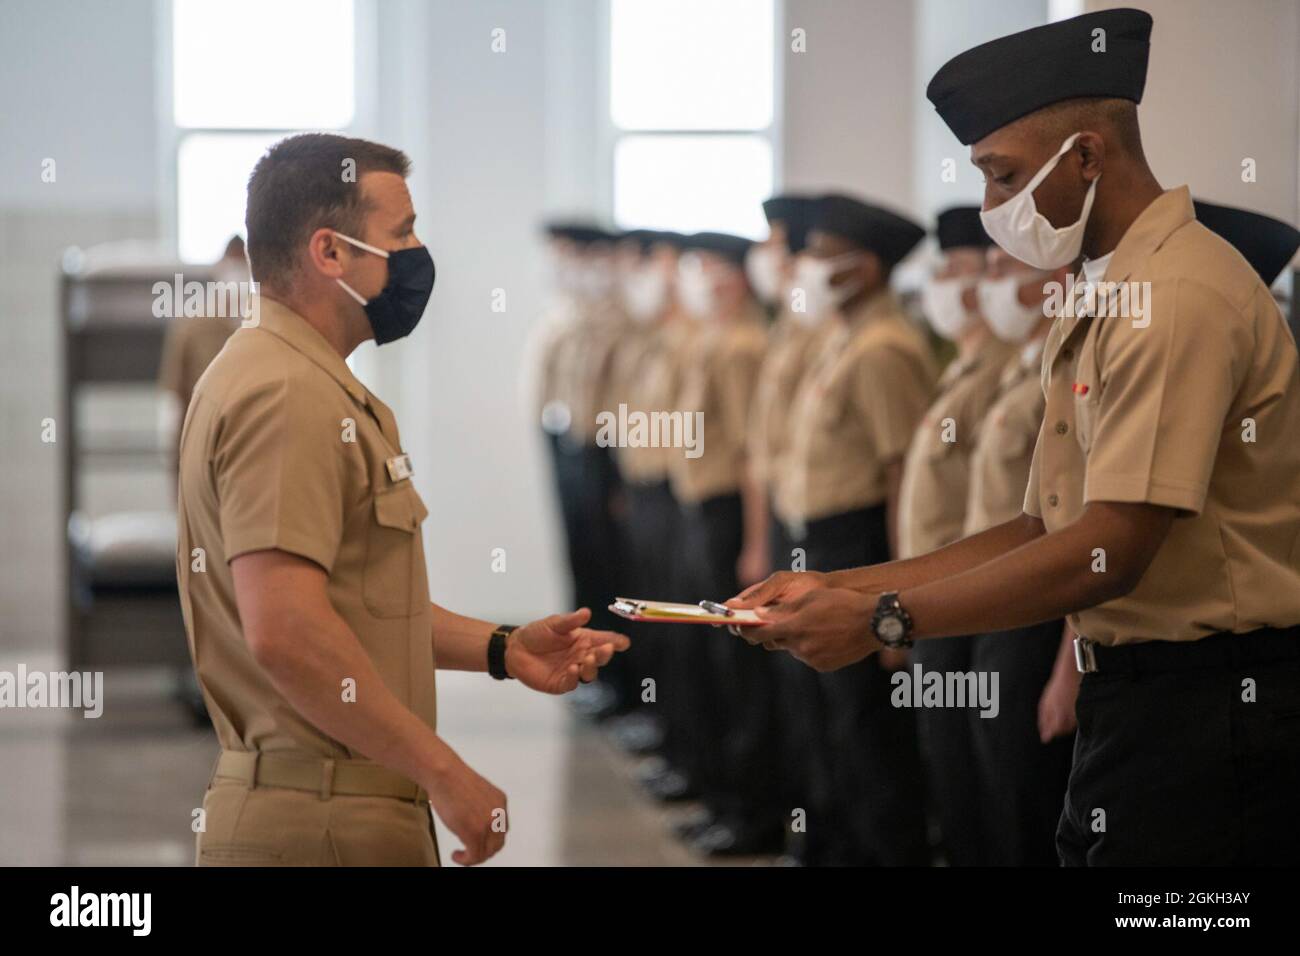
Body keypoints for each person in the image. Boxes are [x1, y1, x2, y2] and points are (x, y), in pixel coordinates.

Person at [730, 8, 1300, 866]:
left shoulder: (1176, 296)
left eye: (1003, 177)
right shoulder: (1109, 294)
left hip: (1206, 706)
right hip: (1143, 702)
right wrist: (838, 588)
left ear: (1085, 155)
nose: (993, 207)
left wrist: (884, 621)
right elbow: (1042, 526)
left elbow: (1111, 549)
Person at [176, 133, 628, 867]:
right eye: (401, 234)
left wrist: (503, 649)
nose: (417, 254)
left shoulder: (293, 375)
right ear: (330, 253)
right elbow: (287, 633)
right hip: (321, 818)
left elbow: (352, 613)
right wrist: (445, 773)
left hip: (336, 804)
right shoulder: (287, 394)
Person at [775, 194, 936, 865]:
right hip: (819, 536)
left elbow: (905, 475)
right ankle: (831, 848)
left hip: (863, 540)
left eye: (820, 253)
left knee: (866, 724)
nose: (804, 266)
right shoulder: (842, 335)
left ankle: (882, 852)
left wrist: (898, 601)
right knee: (828, 717)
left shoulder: (884, 347)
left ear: (863, 268)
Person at [663, 232, 780, 855]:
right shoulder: (712, 338)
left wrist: (756, 542)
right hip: (698, 506)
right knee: (708, 661)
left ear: (736, 277)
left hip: (729, 514)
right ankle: (723, 796)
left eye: (710, 268)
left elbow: (748, 454)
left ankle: (751, 811)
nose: (698, 279)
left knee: (738, 668)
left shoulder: (742, 346)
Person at [904, 206, 1015, 865]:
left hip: (974, 593)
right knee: (945, 756)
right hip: (931, 587)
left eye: (962, 268)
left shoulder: (1007, 369)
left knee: (985, 775)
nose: (945, 283)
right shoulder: (963, 365)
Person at [965, 244, 1077, 866]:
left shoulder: (1065, 375)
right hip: (990, 596)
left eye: (1002, 269)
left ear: (1053, 281)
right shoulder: (1025, 368)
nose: (989, 286)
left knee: (1025, 796)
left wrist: (1068, 668)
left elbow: (1079, 531)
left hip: (1034, 609)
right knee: (991, 784)